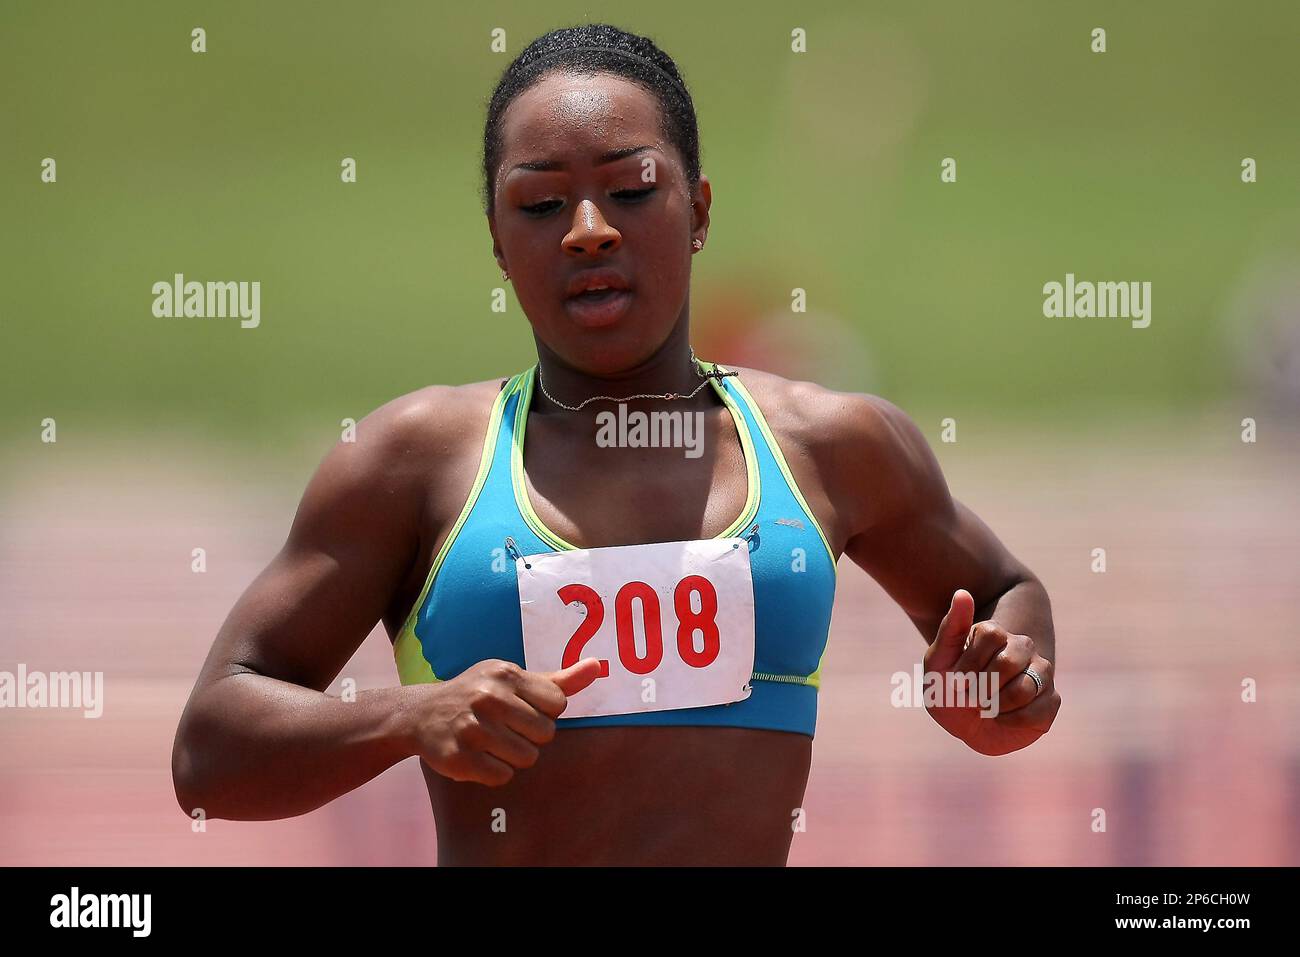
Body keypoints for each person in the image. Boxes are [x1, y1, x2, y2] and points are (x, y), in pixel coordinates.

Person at [171, 23, 1060, 866]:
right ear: (496, 239)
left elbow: (1005, 597)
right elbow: (209, 750)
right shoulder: (411, 464)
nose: (589, 227)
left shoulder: (833, 446)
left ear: (699, 210)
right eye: (541, 202)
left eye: (632, 191)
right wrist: (409, 715)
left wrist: (993, 695)